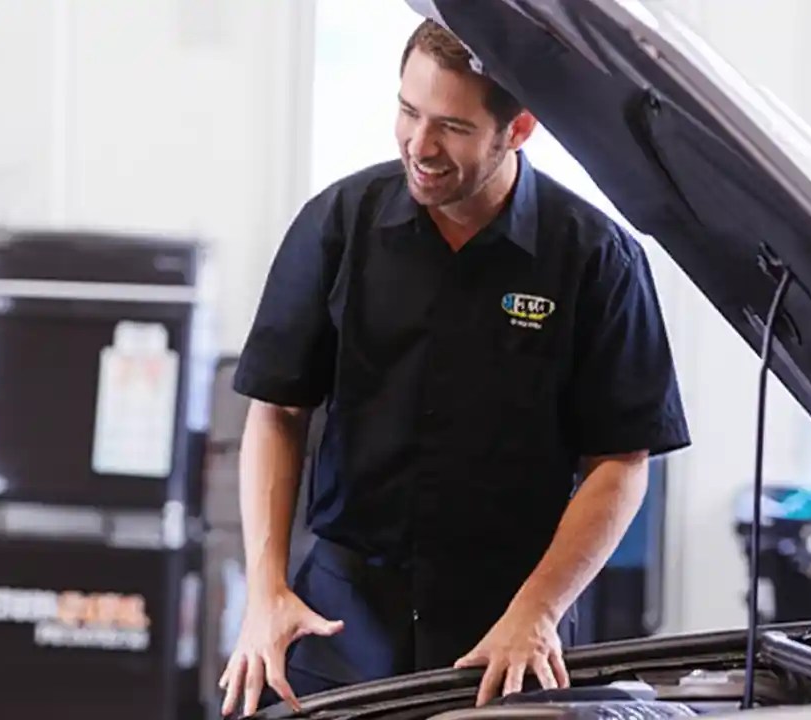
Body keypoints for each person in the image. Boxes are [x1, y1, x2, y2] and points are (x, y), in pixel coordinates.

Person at [218, 19, 691, 718]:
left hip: (511, 616)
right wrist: (266, 594)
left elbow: (619, 462)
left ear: (520, 129)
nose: (419, 145)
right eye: (408, 112)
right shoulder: (336, 224)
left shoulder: (597, 259)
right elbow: (278, 410)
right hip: (341, 607)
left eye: (452, 127)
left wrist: (539, 609)